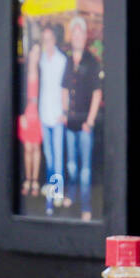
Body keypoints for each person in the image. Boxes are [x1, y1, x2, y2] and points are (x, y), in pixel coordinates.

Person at [62, 16, 103, 222]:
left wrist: (91, 120)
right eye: (74, 33)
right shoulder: (68, 60)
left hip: (86, 123)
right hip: (70, 122)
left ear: (85, 36)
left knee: (85, 169)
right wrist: (63, 111)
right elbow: (64, 88)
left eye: (80, 33)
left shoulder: (92, 61)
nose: (77, 37)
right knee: (71, 165)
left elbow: (97, 93)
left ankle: (86, 206)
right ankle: (71, 195)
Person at [35, 24, 68, 214]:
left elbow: (64, 89)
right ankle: (51, 193)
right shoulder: (42, 60)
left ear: (54, 40)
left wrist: (64, 111)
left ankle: (56, 196)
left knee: (57, 159)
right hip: (43, 114)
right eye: (44, 40)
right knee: (48, 157)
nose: (46, 43)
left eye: (49, 39)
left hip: (56, 115)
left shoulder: (61, 60)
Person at [18, 42, 43, 198]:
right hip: (27, 112)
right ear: (29, 54)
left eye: (38, 53)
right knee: (28, 148)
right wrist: (21, 115)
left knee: (36, 148)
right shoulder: (22, 69)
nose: (36, 55)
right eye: (34, 52)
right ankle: (27, 179)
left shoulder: (43, 70)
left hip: (39, 111)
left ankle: (35, 180)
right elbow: (18, 91)